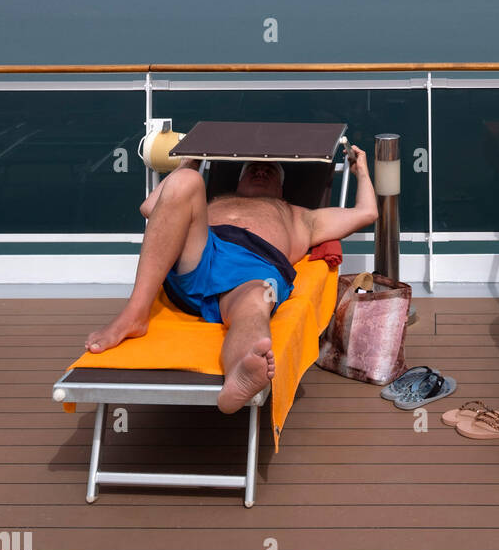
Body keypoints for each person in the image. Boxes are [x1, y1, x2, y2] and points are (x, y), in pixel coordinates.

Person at [84, 145, 378, 412]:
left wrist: (361, 171)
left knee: (254, 302)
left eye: (270, 171)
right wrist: (189, 162)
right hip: (202, 251)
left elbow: (366, 213)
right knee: (185, 182)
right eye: (252, 168)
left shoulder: (302, 215)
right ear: (238, 180)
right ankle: (135, 314)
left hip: (255, 269)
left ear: (282, 186)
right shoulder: (213, 201)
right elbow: (151, 208)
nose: (260, 170)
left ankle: (242, 369)